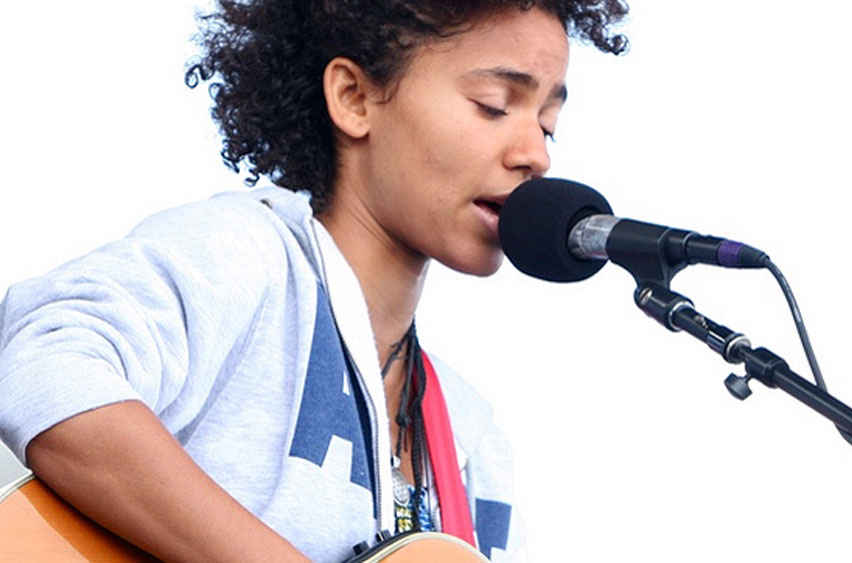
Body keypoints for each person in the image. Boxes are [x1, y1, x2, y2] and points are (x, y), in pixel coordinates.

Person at [0, 0, 627, 561]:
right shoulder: (249, 259)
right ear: (353, 97)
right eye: (494, 106)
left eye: (546, 123)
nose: (536, 155)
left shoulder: (474, 446)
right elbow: (41, 365)